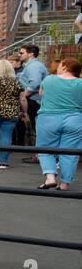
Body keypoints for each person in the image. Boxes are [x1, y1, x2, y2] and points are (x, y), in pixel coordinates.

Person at [34, 57, 82, 191]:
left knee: (45, 148)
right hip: (75, 119)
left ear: (65, 67)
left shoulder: (50, 79)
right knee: (70, 152)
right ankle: (65, 184)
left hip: (48, 118)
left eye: (60, 65)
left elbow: (41, 93)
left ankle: (50, 178)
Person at [17, 45, 48, 160]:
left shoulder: (34, 66)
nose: (19, 55)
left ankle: (39, 155)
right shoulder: (32, 66)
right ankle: (38, 155)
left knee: (37, 128)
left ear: (31, 54)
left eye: (21, 53)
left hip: (35, 101)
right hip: (35, 100)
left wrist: (24, 95)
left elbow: (35, 83)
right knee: (37, 128)